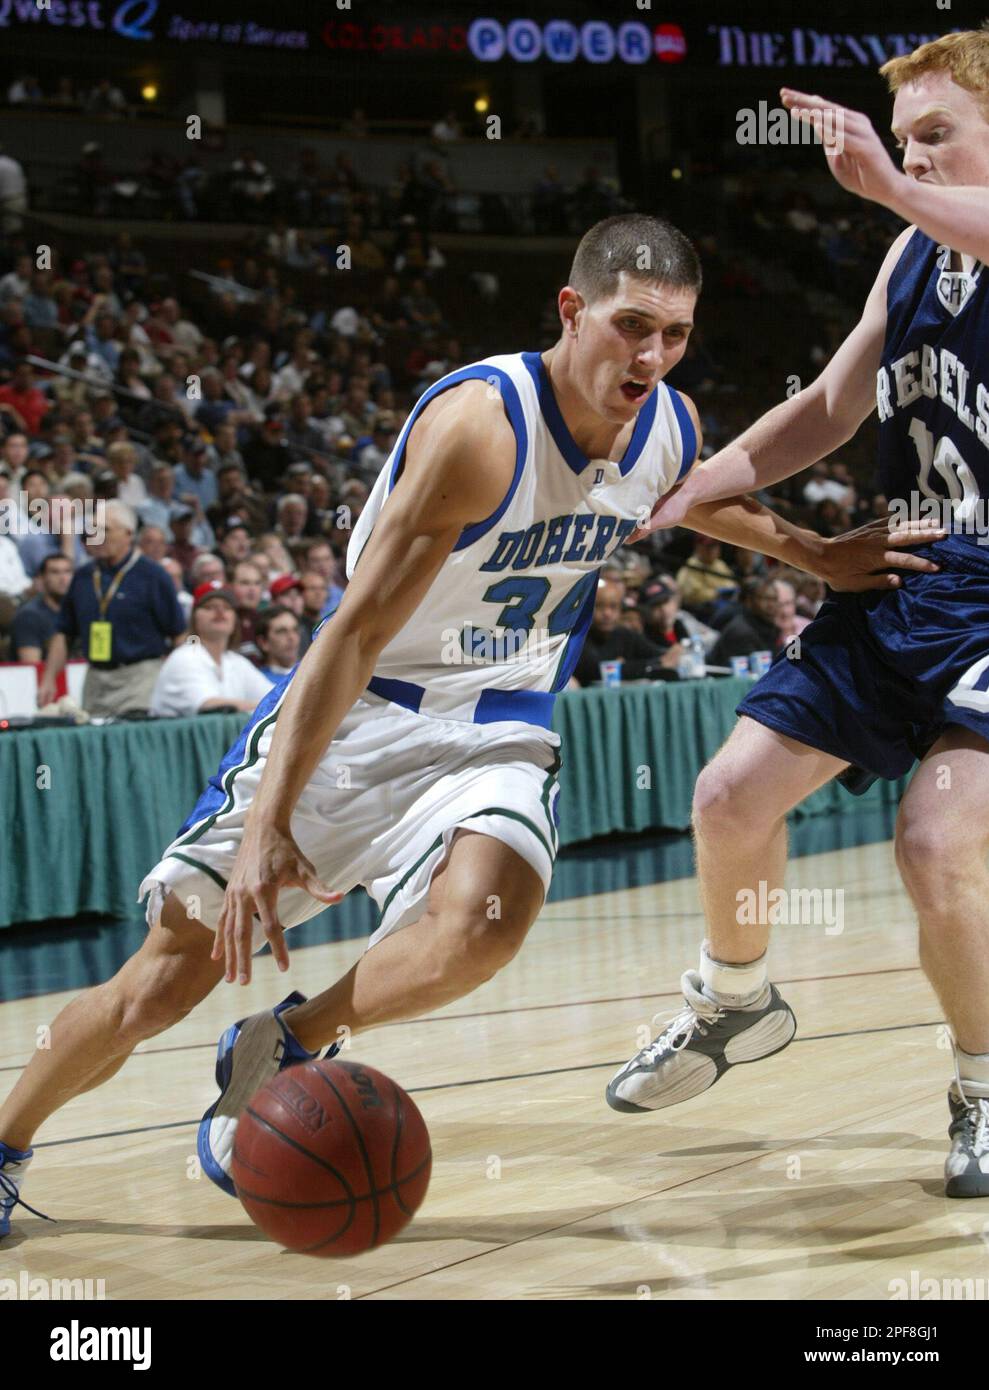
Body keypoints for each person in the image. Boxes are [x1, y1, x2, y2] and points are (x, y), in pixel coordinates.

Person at [0, 213, 935, 1231]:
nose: (652, 354)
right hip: (359, 709)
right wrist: (268, 823)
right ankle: (6, 1141)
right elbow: (348, 636)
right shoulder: (480, 429)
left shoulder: (666, 421)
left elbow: (684, 499)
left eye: (674, 333)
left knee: (481, 925)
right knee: (156, 988)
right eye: (631, 326)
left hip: (498, 719)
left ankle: (288, 1038)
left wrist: (813, 550)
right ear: (571, 310)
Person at [607, 32, 989, 1198]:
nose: (911, 152)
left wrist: (892, 180)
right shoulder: (910, 255)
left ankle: (980, 1087)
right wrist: (697, 484)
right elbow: (826, 404)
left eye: (937, 132)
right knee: (727, 797)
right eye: (905, 134)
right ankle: (733, 1001)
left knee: (935, 841)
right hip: (909, 568)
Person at [38, 500, 186, 717]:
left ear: (128, 534)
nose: (97, 536)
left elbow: (178, 634)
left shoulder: (153, 576)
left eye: (105, 529)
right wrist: (49, 679)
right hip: (95, 678)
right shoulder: (83, 576)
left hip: (140, 678)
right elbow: (64, 632)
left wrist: (180, 680)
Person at [150, 582, 272, 718]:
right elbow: (210, 706)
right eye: (210, 607)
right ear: (194, 617)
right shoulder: (185, 657)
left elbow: (274, 697)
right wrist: (265, 706)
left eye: (226, 607)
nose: (220, 612)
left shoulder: (236, 661)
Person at [573, 577, 665, 686]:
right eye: (599, 606)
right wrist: (627, 667)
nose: (607, 613)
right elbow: (595, 670)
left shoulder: (625, 635)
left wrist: (625, 667)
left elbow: (659, 655)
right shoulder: (576, 638)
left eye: (613, 607)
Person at [10, 554, 74, 663]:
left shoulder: (79, 611)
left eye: (67, 572)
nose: (63, 578)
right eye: (55, 572)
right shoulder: (29, 617)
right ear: (42, 578)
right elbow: (31, 666)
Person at [254, 603, 301, 682]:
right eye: (282, 631)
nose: (291, 637)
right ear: (263, 643)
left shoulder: (311, 674)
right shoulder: (257, 681)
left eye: (295, 630)